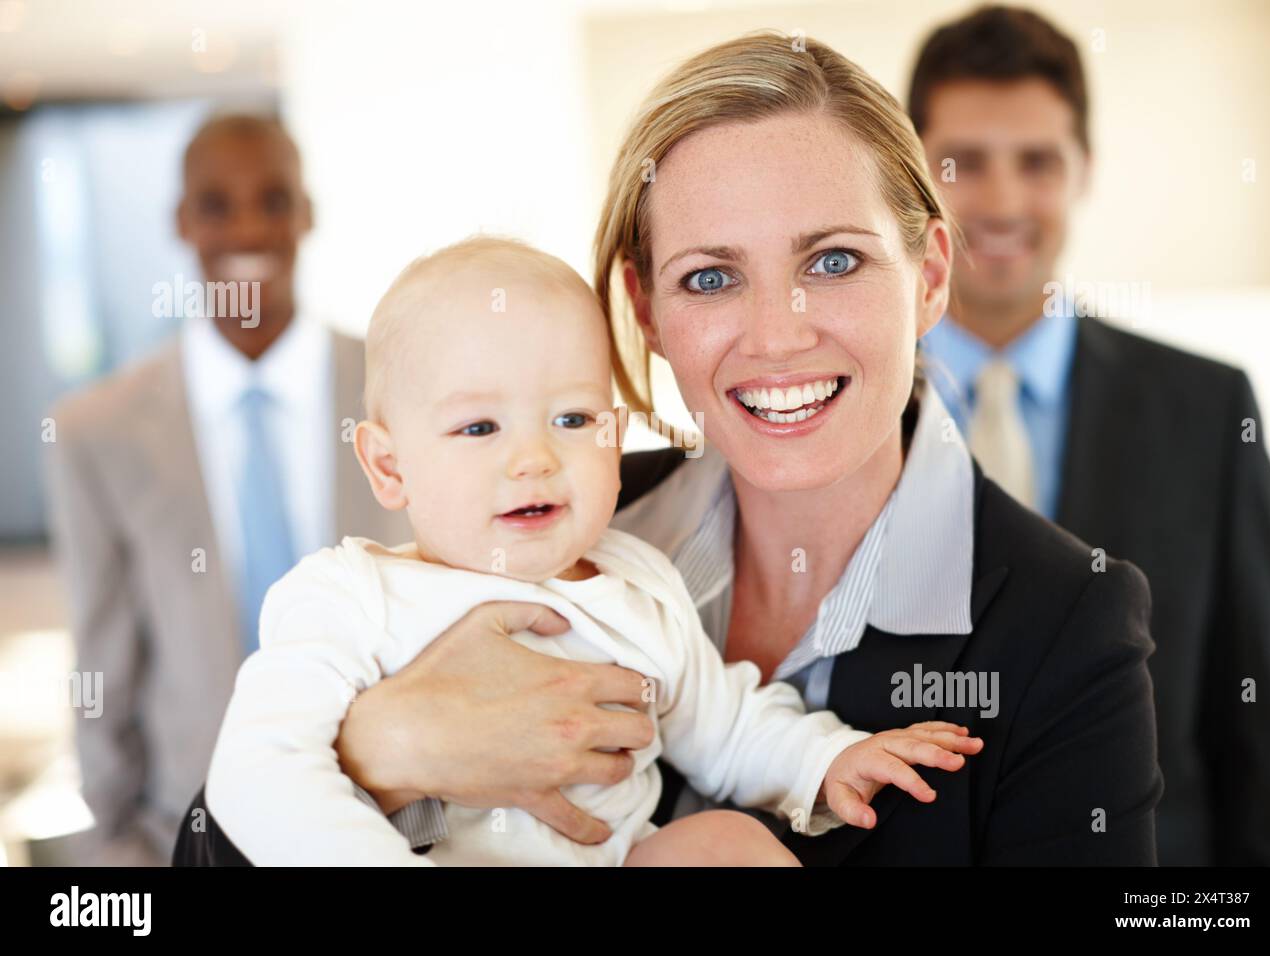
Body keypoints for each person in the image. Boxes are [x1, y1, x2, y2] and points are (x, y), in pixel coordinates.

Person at [176, 31, 1162, 867]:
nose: (777, 333)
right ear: (645, 310)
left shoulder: (1067, 629)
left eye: (833, 259)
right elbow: (219, 831)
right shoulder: (576, 524)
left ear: (930, 273)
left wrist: (815, 766)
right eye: (708, 278)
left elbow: (727, 721)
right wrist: (383, 749)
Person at [203, 236, 983, 866]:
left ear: (615, 437)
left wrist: (827, 762)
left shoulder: (638, 580)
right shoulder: (347, 597)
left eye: (573, 420)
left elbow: (725, 725)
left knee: (728, 845)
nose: (534, 458)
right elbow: (257, 772)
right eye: (480, 429)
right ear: (388, 466)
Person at [909, 5, 1270, 865]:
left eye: (1037, 162)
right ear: (912, 175)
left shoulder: (1207, 408)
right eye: (965, 162)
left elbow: (1263, 732)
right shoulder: (839, 403)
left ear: (1084, 171)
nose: (1003, 199)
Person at [45, 113, 407, 866]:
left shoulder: (402, 389)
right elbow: (100, 661)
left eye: (273, 199)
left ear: (307, 213)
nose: (248, 225)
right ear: (182, 221)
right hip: (186, 833)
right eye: (217, 204)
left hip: (399, 819)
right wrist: (115, 851)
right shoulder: (97, 431)